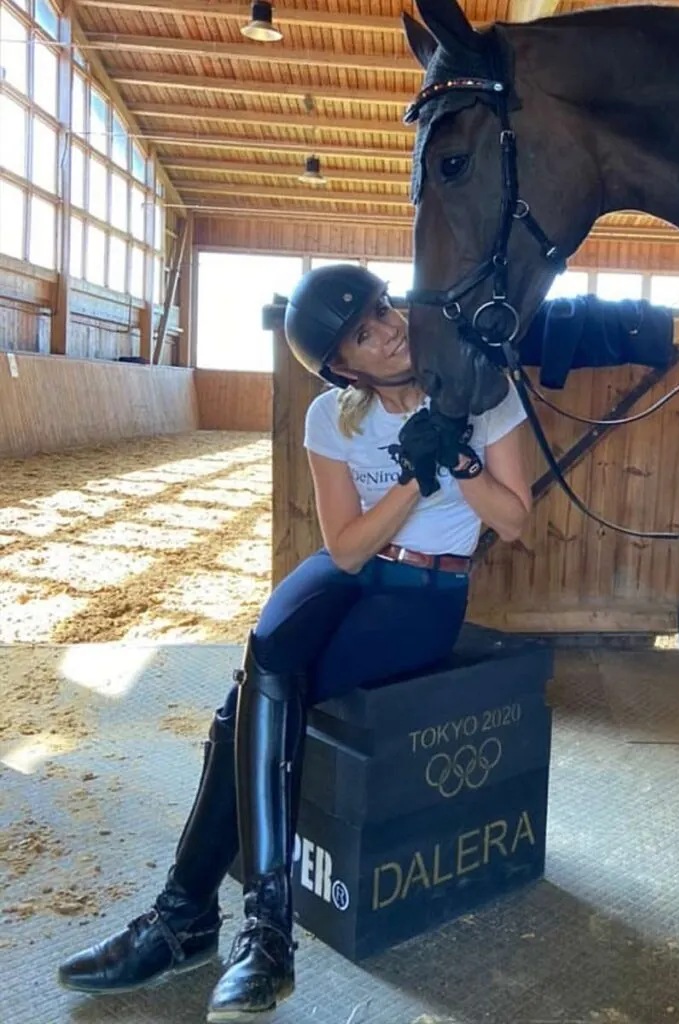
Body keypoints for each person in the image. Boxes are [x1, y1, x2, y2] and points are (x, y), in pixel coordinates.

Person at [56, 264, 532, 1021]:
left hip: (427, 592)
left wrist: (461, 458)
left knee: (242, 706)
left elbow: (512, 519)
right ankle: (256, 932)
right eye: (367, 332)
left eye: (384, 309)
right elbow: (343, 550)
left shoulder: (480, 392)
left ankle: (194, 919)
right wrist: (415, 474)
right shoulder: (330, 419)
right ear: (344, 365)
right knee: (270, 650)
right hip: (355, 570)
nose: (391, 327)